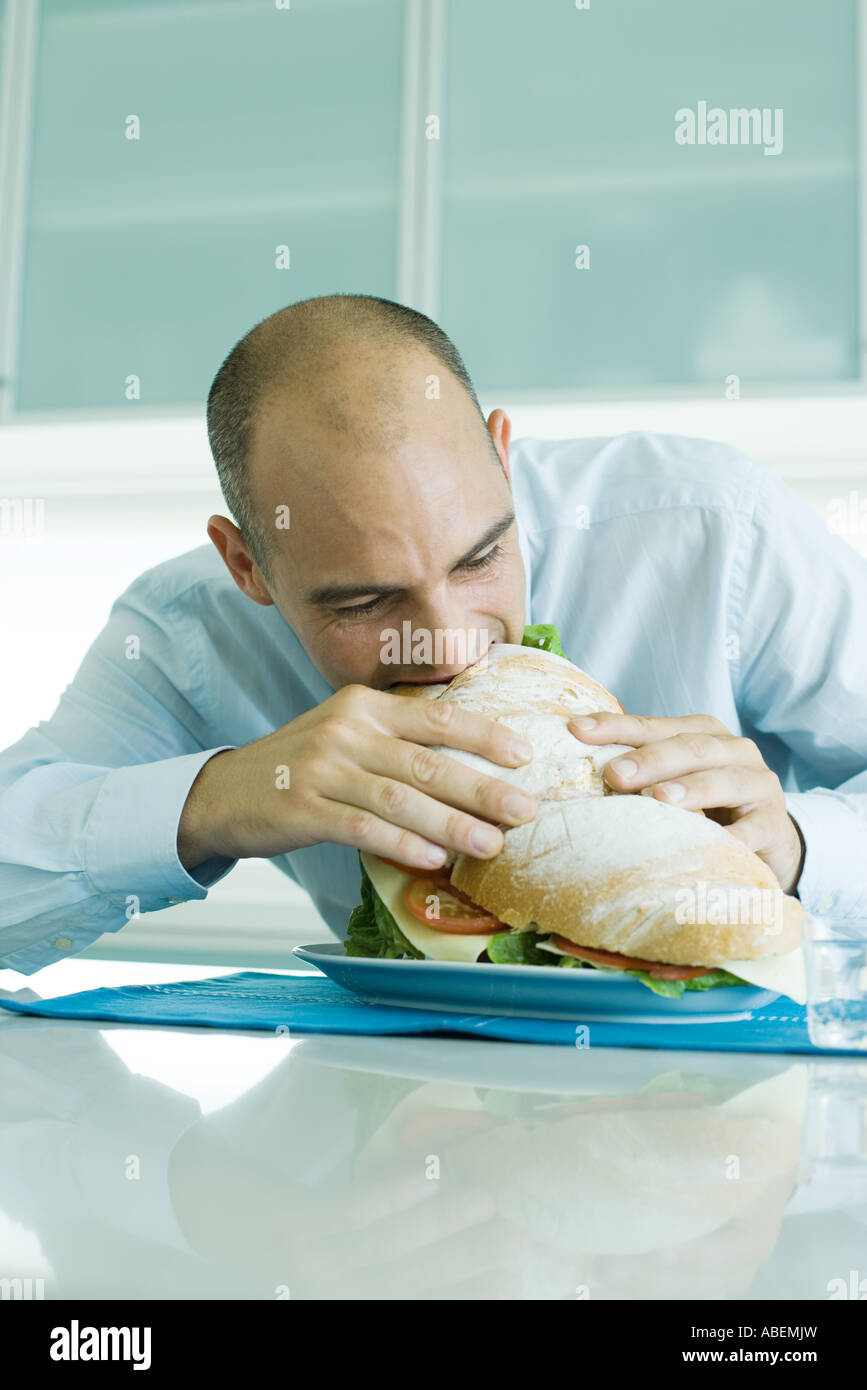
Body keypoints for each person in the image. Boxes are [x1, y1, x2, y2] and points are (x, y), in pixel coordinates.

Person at [1, 293, 865, 974]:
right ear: (247, 567)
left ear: (500, 455)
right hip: (403, 1123)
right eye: (364, 604)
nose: (449, 648)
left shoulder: (715, 526)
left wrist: (791, 846)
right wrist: (221, 799)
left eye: (480, 558)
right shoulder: (186, 634)